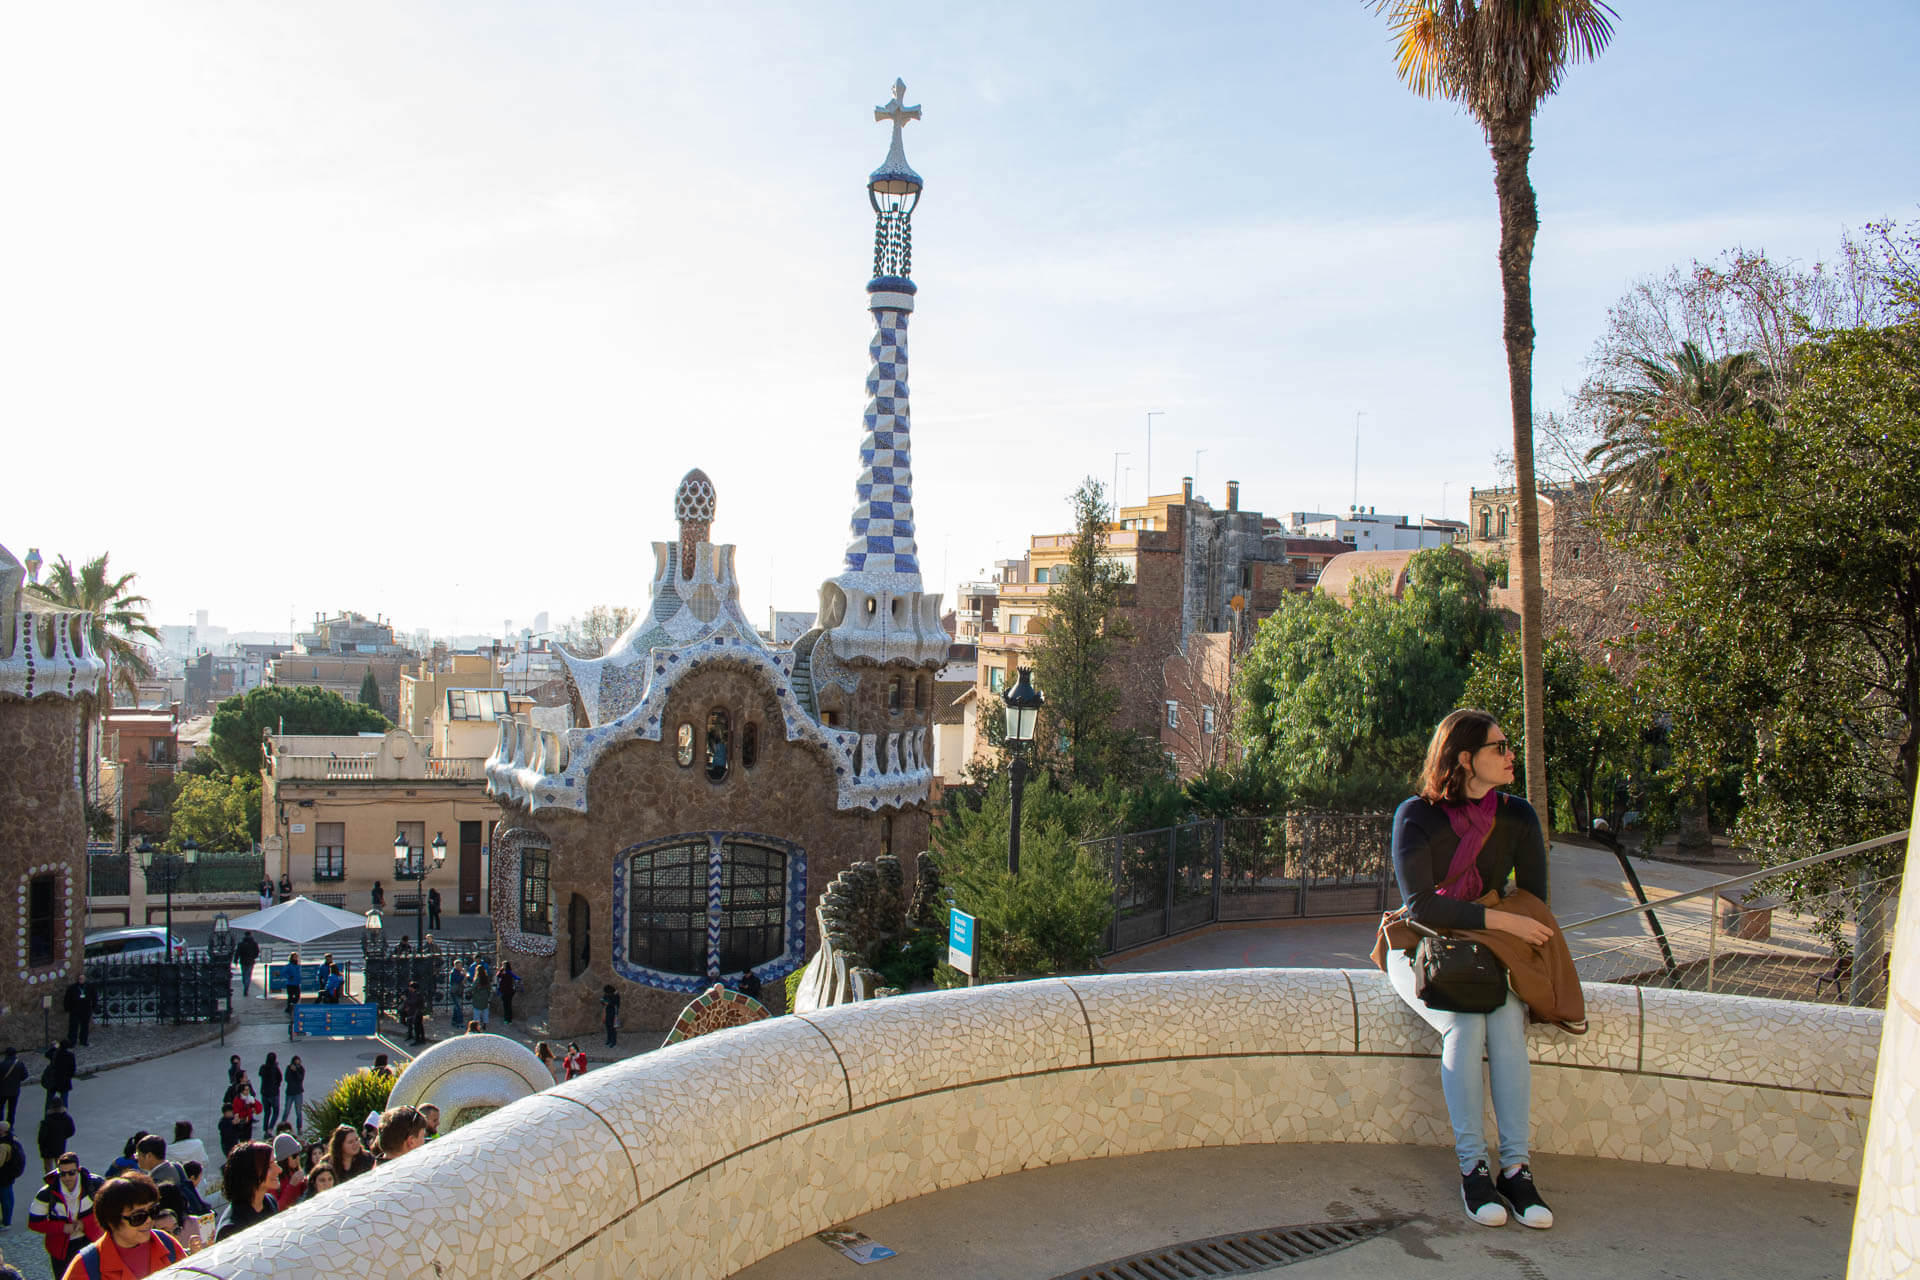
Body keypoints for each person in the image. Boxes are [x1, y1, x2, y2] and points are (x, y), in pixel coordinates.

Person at [1385, 709, 1556, 1230]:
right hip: (1421, 950)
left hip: (1485, 952)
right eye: (1499, 748)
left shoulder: (1519, 816)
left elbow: (1534, 902)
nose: (1510, 757)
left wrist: (1505, 925)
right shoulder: (1416, 815)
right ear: (1464, 759)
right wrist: (1501, 918)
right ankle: (1473, 1170)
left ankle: (1517, 1170)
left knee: (1505, 1022)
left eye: (1508, 747)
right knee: (1465, 1023)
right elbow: (1423, 908)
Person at [57, 1172, 184, 1279]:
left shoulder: (168, 1244)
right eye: (138, 1217)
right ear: (112, 1221)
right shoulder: (87, 1265)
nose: (149, 1220)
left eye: (153, 1211)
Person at [27, 1153, 101, 1273]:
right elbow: (34, 1223)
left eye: (71, 1173)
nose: (67, 1177)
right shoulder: (46, 1193)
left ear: (78, 1170)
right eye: (63, 1174)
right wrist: (62, 1228)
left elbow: (107, 1210)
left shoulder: (95, 1185)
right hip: (62, 1249)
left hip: (90, 1241)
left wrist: (85, 1223)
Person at [215, 1142, 278, 1241]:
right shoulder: (231, 1228)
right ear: (250, 1173)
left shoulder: (269, 1202)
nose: (279, 1170)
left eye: (276, 1163)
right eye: (269, 1166)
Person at [151, 1182, 204, 1255]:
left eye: (176, 1230)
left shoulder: (186, 1252)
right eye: (166, 1233)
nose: (173, 1236)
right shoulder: (156, 1259)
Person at [0, 1119, 26, 1228]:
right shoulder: (13, 1139)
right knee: (8, 1198)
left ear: (2, 1131)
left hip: (2, 1175)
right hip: (10, 1174)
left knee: (5, 1199)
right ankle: (7, 1220)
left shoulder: (3, 1146)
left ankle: (6, 1222)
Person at [38, 1100, 76, 1174]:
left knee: (48, 1168)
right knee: (60, 1166)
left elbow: (42, 1136)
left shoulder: (47, 1120)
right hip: (60, 1146)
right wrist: (62, 1137)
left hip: (47, 1147)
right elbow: (71, 1131)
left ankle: (50, 1183)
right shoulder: (66, 1118)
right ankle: (60, 1181)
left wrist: (41, 1144)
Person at [271, 1135, 305, 1204]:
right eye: (294, 1156)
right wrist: (291, 1185)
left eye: (299, 1154)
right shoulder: (273, 1179)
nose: (298, 1158)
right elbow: (276, 1210)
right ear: (284, 1159)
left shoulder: (295, 1172)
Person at [43, 1041, 77, 1109]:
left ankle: (48, 1116)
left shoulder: (55, 1054)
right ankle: (63, 1115)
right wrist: (69, 1077)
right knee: (64, 1101)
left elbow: (46, 1054)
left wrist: (54, 1048)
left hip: (53, 1079)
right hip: (65, 1081)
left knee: (49, 1101)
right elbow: (73, 1069)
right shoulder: (70, 1055)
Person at [62, 981, 93, 1049]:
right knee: (73, 1026)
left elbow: (93, 996)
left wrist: (93, 1006)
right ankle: (72, 1041)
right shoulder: (72, 988)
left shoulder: (89, 986)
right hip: (75, 1010)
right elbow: (67, 998)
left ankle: (83, 1040)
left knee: (85, 1026)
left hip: (85, 1009)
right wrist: (67, 1008)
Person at [1, 1047, 28, 1125]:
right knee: (12, 1109)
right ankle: (9, 1126)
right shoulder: (19, 1064)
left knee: (1, 1109)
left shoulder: (2, 1065)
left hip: (2, 1091)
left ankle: (1, 1125)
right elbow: (24, 1076)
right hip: (14, 1091)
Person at [258, 1054, 282, 1132]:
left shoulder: (263, 1068)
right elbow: (280, 1078)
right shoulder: (275, 1069)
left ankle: (265, 1128)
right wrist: (277, 1086)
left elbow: (260, 1073)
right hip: (273, 1093)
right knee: (276, 1112)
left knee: (267, 1112)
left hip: (264, 1093)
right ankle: (270, 1128)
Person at [282, 1056, 306, 1131]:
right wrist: (291, 1071)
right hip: (290, 1092)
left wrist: (295, 1071)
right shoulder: (289, 1068)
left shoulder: (301, 1069)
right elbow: (287, 1079)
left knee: (298, 1111)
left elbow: (300, 1078)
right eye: (296, 1062)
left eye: (298, 1062)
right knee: (287, 1110)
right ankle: (282, 1125)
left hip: (298, 1092)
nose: (297, 1064)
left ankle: (299, 1127)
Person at [234, 932, 260, 997]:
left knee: (244, 974)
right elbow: (257, 952)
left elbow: (237, 953)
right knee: (248, 974)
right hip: (251, 961)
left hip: (243, 961)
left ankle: (245, 985)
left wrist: (236, 960)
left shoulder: (241, 944)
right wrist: (253, 957)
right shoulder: (254, 943)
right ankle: (246, 987)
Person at [447, 962, 465, 1029]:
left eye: (461, 965)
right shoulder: (454, 973)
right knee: (458, 1008)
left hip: (458, 991)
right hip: (455, 992)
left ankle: (454, 1021)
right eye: (459, 966)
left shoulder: (458, 972)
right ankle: (460, 1023)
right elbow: (458, 980)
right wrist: (463, 975)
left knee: (456, 1007)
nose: (460, 967)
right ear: (456, 966)